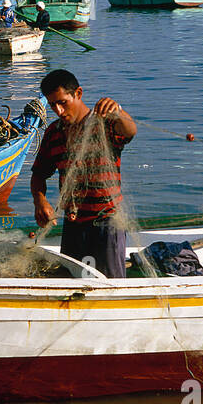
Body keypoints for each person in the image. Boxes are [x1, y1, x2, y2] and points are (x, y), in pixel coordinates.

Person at [30, 68, 137, 278]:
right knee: (72, 283)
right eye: (52, 105)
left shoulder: (106, 124)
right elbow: (39, 174)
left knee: (109, 286)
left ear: (78, 94)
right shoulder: (54, 132)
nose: (59, 110)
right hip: (74, 224)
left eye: (63, 102)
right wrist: (39, 201)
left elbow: (130, 130)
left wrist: (119, 111)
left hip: (106, 224)